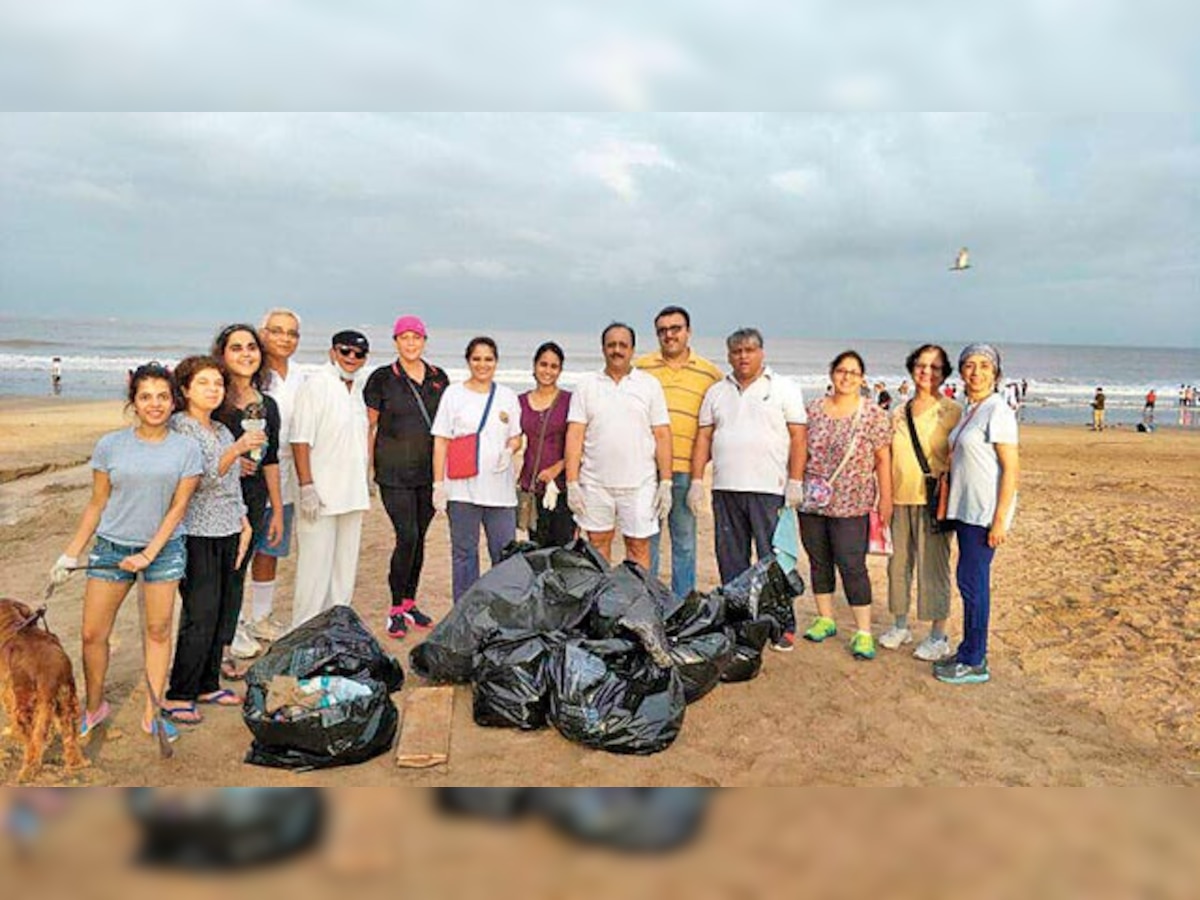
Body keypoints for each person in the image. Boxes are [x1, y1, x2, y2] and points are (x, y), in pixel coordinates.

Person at [50, 363, 201, 743]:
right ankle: (94, 706)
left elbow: (178, 508)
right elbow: (96, 504)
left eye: (163, 397)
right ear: (133, 401)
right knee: (91, 634)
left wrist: (149, 554)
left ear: (173, 401)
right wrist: (69, 554)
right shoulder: (110, 445)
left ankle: (153, 713)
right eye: (146, 396)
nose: (155, 404)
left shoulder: (187, 448)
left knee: (157, 630)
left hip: (163, 552)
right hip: (110, 548)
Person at [689, 327, 807, 649]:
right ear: (729, 356)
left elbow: (798, 436)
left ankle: (782, 625)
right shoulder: (716, 392)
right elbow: (704, 437)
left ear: (761, 353)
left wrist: (796, 480)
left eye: (749, 350)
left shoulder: (784, 388)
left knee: (773, 560)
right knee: (731, 559)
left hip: (770, 489)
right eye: (737, 351)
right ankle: (739, 624)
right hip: (726, 489)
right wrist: (697, 479)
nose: (743, 356)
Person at [161, 356, 257, 724]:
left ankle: (206, 682)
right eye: (203, 383)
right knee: (199, 613)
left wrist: (245, 521)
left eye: (218, 383)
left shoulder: (221, 429)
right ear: (185, 389)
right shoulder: (181, 429)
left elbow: (231, 484)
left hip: (229, 528)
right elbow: (201, 479)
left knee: (222, 610)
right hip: (196, 531)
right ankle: (179, 692)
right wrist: (236, 450)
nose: (213, 389)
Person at [798, 351, 893, 660]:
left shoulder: (873, 414)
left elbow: (883, 459)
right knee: (818, 560)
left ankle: (863, 632)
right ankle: (825, 618)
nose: (847, 377)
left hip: (853, 504)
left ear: (862, 378)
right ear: (831, 374)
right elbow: (799, 452)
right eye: (841, 370)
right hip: (812, 502)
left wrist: (886, 499)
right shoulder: (812, 410)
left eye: (853, 372)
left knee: (852, 566)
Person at [934, 343, 1019, 684]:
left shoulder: (998, 410)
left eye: (984, 366)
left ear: (996, 373)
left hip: (983, 514)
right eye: (969, 365)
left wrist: (1000, 520)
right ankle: (969, 648)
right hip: (966, 511)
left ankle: (975, 660)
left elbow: (1011, 470)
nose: (976, 372)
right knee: (968, 582)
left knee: (974, 584)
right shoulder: (974, 409)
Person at [365, 315, 450, 638]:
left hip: (429, 474)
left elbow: (448, 426)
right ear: (396, 341)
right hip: (393, 473)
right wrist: (367, 469)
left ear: (424, 341)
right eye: (405, 337)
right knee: (407, 536)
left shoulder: (439, 377)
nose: (411, 343)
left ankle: (410, 602)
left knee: (420, 540)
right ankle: (395, 609)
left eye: (417, 337)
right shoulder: (382, 378)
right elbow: (369, 426)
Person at [564, 323, 672, 570]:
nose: (617, 350)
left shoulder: (649, 385)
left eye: (623, 345)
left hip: (640, 484)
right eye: (611, 345)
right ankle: (603, 605)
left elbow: (662, 435)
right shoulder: (587, 385)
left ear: (632, 349)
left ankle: (636, 603)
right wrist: (572, 483)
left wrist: (666, 482)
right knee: (597, 544)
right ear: (603, 349)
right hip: (595, 483)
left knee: (638, 547)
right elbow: (575, 434)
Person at [879, 344, 962, 661]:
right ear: (912, 367)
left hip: (934, 503)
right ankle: (900, 625)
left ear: (944, 373)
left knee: (934, 569)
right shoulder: (898, 412)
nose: (927, 371)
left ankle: (938, 636)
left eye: (935, 367)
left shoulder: (952, 410)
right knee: (897, 566)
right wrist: (883, 497)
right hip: (899, 500)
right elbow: (886, 457)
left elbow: (960, 458)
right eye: (921, 365)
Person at [635, 306, 722, 597]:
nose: (669, 335)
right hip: (648, 469)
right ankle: (651, 601)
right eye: (662, 330)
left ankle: (682, 602)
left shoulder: (709, 373)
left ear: (688, 331)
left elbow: (719, 421)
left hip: (686, 471)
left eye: (675, 328)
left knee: (684, 541)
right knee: (649, 540)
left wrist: (701, 470)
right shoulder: (641, 368)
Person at [211, 324, 284, 666]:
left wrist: (278, 511)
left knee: (238, 569)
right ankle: (216, 641)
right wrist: (229, 458)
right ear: (223, 355)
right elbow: (193, 445)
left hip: (254, 500)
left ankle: (230, 635)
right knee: (213, 574)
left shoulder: (268, 405)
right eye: (236, 347)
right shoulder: (214, 398)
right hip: (214, 500)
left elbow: (270, 461)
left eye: (251, 347)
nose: (245, 354)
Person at [289, 330, 372, 628]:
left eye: (358, 354)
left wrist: (367, 477)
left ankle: (336, 628)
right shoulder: (316, 384)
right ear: (332, 352)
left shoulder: (359, 388)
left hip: (353, 493)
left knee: (344, 567)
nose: (351, 358)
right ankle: (304, 629)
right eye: (345, 351)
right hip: (320, 493)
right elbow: (300, 439)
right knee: (314, 567)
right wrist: (306, 485)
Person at [431, 337, 522, 602]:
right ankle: (465, 611)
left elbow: (516, 435)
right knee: (464, 555)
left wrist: (510, 450)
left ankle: (503, 612)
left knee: (505, 556)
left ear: (496, 361)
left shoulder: (506, 396)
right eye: (477, 359)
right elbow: (441, 440)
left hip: (500, 491)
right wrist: (438, 484)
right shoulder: (454, 394)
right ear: (468, 361)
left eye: (488, 359)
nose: (483, 364)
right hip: (462, 490)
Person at [247, 308, 305, 645]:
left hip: (286, 473)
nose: (285, 338)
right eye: (277, 331)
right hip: (252, 471)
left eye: (292, 333)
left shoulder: (301, 377)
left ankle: (261, 617)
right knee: (242, 547)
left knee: (271, 545)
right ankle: (237, 621)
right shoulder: (252, 374)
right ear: (263, 332)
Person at [518, 342, 575, 548]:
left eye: (554, 366)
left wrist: (557, 468)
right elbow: (513, 437)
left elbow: (581, 443)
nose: (547, 371)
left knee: (562, 551)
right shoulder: (520, 402)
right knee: (536, 551)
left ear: (560, 370)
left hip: (561, 489)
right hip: (531, 488)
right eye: (543, 364)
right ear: (534, 366)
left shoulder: (570, 401)